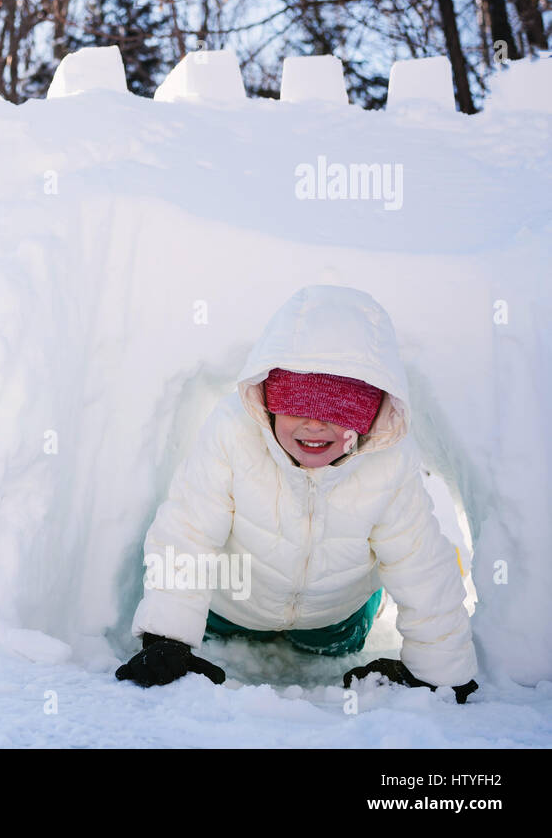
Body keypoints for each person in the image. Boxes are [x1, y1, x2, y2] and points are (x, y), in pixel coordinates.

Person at [115, 285, 479, 703]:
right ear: (270, 401)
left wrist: (441, 672)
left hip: (334, 625)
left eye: (339, 412)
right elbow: (189, 531)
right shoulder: (233, 434)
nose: (315, 428)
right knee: (204, 578)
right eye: (298, 406)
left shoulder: (388, 463)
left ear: (368, 416)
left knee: (399, 567)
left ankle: (366, 610)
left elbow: (422, 566)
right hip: (228, 608)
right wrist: (169, 639)